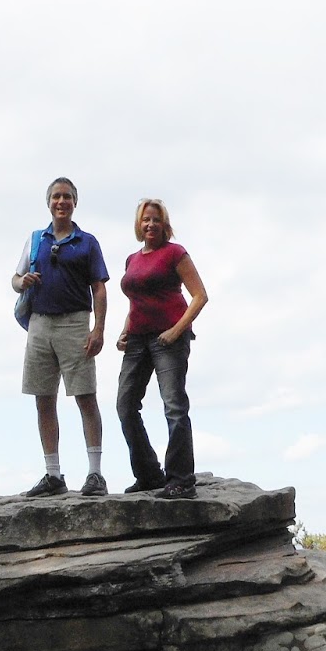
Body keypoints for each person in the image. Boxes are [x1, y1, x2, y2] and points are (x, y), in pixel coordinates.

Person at [12, 177, 110, 497]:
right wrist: (22, 280)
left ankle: (95, 473)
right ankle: (53, 474)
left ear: (75, 202)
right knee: (43, 398)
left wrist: (98, 329)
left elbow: (99, 287)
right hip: (40, 323)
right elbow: (15, 279)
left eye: (67, 196)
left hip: (74, 322)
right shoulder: (36, 239)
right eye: (56, 196)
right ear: (49, 202)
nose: (61, 202)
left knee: (84, 396)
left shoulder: (87, 242)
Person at [115, 198, 209, 499]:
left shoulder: (175, 253)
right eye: (145, 220)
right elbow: (135, 302)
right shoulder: (132, 259)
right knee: (125, 406)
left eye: (156, 219)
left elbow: (199, 296)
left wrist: (175, 331)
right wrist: (124, 331)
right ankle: (149, 475)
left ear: (164, 224)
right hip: (138, 340)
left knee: (174, 407)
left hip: (169, 338)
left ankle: (181, 480)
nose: (150, 224)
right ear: (138, 225)